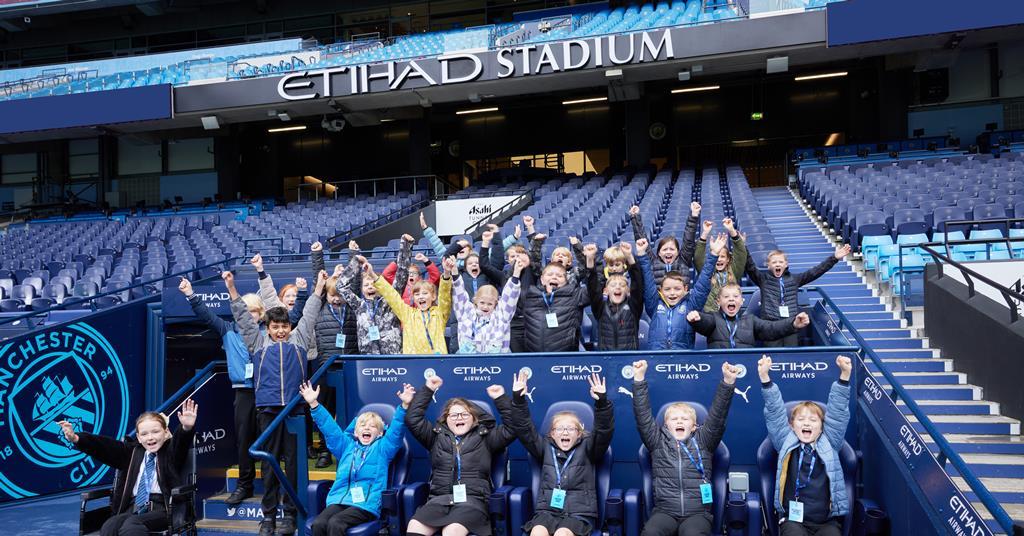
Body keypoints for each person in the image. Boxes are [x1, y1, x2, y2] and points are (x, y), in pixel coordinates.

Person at [227, 268, 326, 536]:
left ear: (290, 327)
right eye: (275, 327)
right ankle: (268, 516)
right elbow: (244, 320)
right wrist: (232, 289)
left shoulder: (300, 340)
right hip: (268, 412)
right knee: (270, 464)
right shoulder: (258, 343)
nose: (281, 331)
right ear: (268, 328)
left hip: (294, 412)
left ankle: (290, 514)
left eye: (284, 326)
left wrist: (318, 289)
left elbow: (311, 313)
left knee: (293, 465)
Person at [58, 400, 198, 536]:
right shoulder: (132, 453)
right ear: (138, 437)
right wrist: (76, 438)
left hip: (162, 508)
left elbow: (180, 443)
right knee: (110, 525)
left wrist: (186, 428)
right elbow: (104, 446)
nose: (150, 437)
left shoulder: (170, 452)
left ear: (165, 432)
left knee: (132, 524)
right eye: (144, 434)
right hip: (132, 507)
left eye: (155, 432)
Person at [631, 360, 738, 536]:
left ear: (695, 426)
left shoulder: (705, 440)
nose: (679, 421)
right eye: (674, 419)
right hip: (664, 512)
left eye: (685, 419)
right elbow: (642, 415)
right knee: (650, 532)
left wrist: (727, 382)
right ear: (665, 425)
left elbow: (718, 415)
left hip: (697, 514)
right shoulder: (657, 441)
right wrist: (639, 378)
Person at [178, 278, 260, 506]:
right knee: (243, 442)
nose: (250, 315)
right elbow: (206, 315)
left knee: (271, 441)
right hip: (243, 393)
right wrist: (191, 294)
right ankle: (245, 485)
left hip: (267, 392)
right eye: (247, 311)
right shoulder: (227, 330)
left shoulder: (267, 333)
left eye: (254, 311)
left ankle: (276, 484)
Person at [403, 375, 518, 536]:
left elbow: (513, 427)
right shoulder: (435, 436)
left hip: (472, 502)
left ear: (474, 419)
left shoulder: (486, 437)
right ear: (446, 420)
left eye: (464, 414)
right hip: (439, 500)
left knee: (452, 530)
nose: (459, 418)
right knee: (414, 526)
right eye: (454, 415)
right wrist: (428, 389)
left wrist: (500, 398)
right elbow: (412, 419)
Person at [301, 381, 413, 536]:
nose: (367, 428)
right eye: (363, 425)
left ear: (380, 433)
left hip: (366, 504)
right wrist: (314, 403)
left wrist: (404, 407)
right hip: (339, 500)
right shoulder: (346, 446)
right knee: (318, 523)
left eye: (372, 426)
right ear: (355, 431)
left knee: (336, 523)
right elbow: (330, 429)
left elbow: (396, 431)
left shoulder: (383, 448)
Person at [509, 371, 614, 536]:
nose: (565, 432)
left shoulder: (589, 447)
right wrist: (518, 399)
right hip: (548, 512)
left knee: (561, 534)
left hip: (579, 514)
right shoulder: (544, 447)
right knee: (537, 531)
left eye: (571, 429)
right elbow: (524, 429)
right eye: (559, 428)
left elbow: (604, 431)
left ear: (579, 434)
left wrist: (601, 403)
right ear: (551, 433)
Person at [758, 354, 853, 536]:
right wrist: (765, 378)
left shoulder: (830, 441)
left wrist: (844, 376)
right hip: (793, 521)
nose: (807, 423)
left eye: (813, 420)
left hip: (826, 522)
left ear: (822, 427)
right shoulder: (785, 441)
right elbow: (775, 412)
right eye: (801, 419)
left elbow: (837, 412)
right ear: (792, 426)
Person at [744, 244, 851, 347]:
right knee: (773, 357)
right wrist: (741, 245)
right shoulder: (763, 280)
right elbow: (750, 266)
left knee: (791, 355)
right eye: (774, 262)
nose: (777, 264)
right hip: (770, 326)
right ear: (768, 265)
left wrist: (834, 258)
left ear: (786, 264)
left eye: (781, 262)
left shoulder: (794, 280)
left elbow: (815, 272)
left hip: (791, 324)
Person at [637, 235, 724, 350]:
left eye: (677, 289)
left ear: (686, 289)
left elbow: (702, 283)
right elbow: (648, 278)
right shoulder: (654, 305)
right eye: (667, 289)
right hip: (657, 358)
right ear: (660, 290)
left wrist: (713, 255)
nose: (672, 293)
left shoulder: (691, 305)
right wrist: (642, 254)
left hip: (684, 358)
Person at [335, 237, 412, 355]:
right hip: (368, 359)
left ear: (380, 286)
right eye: (366, 285)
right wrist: (355, 264)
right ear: (361, 289)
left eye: (373, 284)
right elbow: (340, 286)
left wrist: (405, 247)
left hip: (392, 357)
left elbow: (401, 277)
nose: (370, 287)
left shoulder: (389, 301)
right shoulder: (359, 305)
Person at [686, 284, 810, 349]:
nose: (731, 299)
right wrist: (697, 319)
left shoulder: (751, 320)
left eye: (735, 297)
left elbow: (771, 328)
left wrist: (793, 323)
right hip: (720, 368)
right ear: (718, 301)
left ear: (742, 301)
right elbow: (705, 322)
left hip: (746, 367)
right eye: (726, 297)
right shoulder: (713, 318)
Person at [374, 256, 454, 354]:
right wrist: (373, 276)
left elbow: (445, 296)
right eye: (417, 294)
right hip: (412, 363)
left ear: (433, 296)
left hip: (437, 361)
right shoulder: (407, 314)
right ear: (414, 298)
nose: (421, 297)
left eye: (425, 293)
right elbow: (392, 296)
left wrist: (446, 273)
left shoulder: (440, 314)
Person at [451, 254, 526, 353]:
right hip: (469, 363)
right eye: (482, 302)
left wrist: (516, 273)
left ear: (496, 303)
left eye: (490, 304)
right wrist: (454, 272)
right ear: (475, 301)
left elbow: (510, 297)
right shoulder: (466, 314)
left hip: (498, 363)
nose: (485, 306)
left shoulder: (501, 316)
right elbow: (459, 294)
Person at [584, 243, 643, 350]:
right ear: (606, 290)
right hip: (606, 359)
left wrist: (629, 256)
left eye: (622, 285)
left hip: (629, 359)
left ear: (628, 290)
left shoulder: (634, 306)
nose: (618, 287)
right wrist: (589, 259)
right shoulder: (600, 307)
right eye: (613, 285)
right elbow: (592, 286)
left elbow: (637, 282)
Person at [520, 262, 589, 353]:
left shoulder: (574, 294)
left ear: (566, 280)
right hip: (534, 358)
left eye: (559, 276)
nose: (554, 277)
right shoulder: (529, 295)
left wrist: (590, 262)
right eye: (550, 274)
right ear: (542, 279)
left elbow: (595, 288)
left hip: (565, 359)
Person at [630, 202, 700, 286]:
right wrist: (635, 217)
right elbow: (641, 240)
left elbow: (689, 240)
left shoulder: (683, 261)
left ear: (678, 252)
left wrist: (693, 215)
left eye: (672, 249)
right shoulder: (653, 262)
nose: (668, 252)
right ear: (659, 253)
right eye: (665, 249)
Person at [694, 218, 748, 313]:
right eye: (717, 256)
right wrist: (705, 233)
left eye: (722, 256)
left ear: (728, 260)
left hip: (731, 313)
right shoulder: (706, 272)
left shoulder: (734, 271)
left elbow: (741, 253)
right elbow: (698, 257)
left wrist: (731, 230)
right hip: (710, 314)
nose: (719, 259)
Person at [250, 253, 309, 325]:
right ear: (281, 299)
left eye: (294, 296)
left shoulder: (308, 312)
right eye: (287, 296)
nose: (291, 299)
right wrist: (260, 269)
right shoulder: (278, 312)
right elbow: (269, 295)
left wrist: (302, 291)